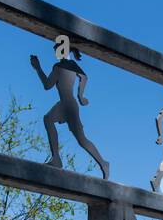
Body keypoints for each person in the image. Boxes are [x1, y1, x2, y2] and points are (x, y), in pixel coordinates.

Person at [30, 45, 109, 178]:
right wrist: (81, 96)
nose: (56, 53)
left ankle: (103, 163)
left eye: (57, 50)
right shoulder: (69, 65)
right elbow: (84, 78)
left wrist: (38, 68)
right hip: (67, 104)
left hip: (69, 106)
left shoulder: (60, 66)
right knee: (48, 119)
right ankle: (56, 158)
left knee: (81, 140)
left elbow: (47, 85)